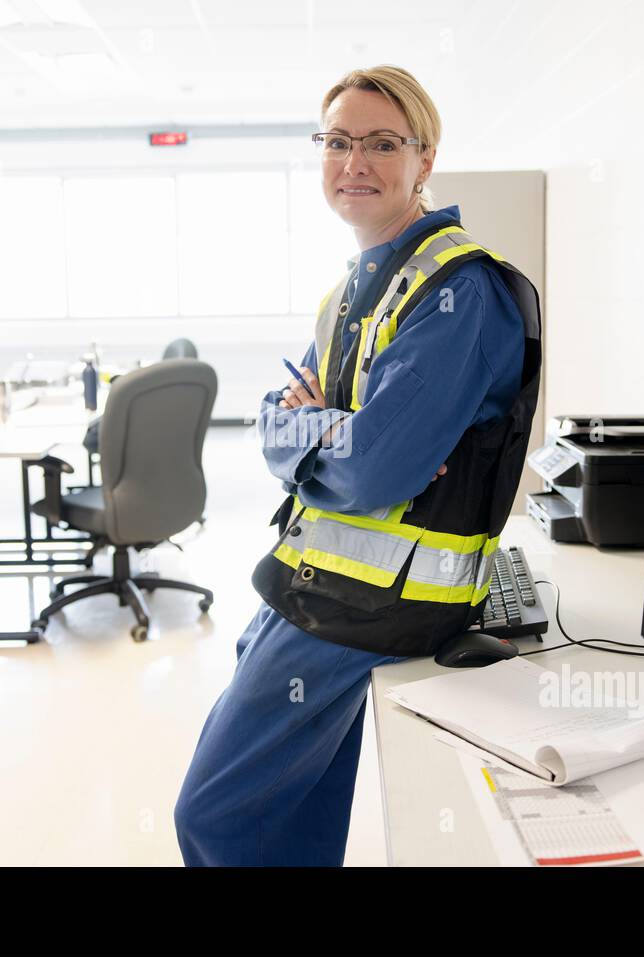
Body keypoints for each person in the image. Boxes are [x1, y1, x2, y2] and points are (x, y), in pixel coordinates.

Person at [174, 65, 542, 866]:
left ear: (425, 158)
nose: (355, 163)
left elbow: (374, 470)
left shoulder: (458, 290)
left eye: (381, 143)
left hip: (376, 605)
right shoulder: (353, 289)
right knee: (293, 808)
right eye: (338, 142)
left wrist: (325, 433)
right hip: (317, 582)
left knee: (215, 815)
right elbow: (272, 420)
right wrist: (326, 434)